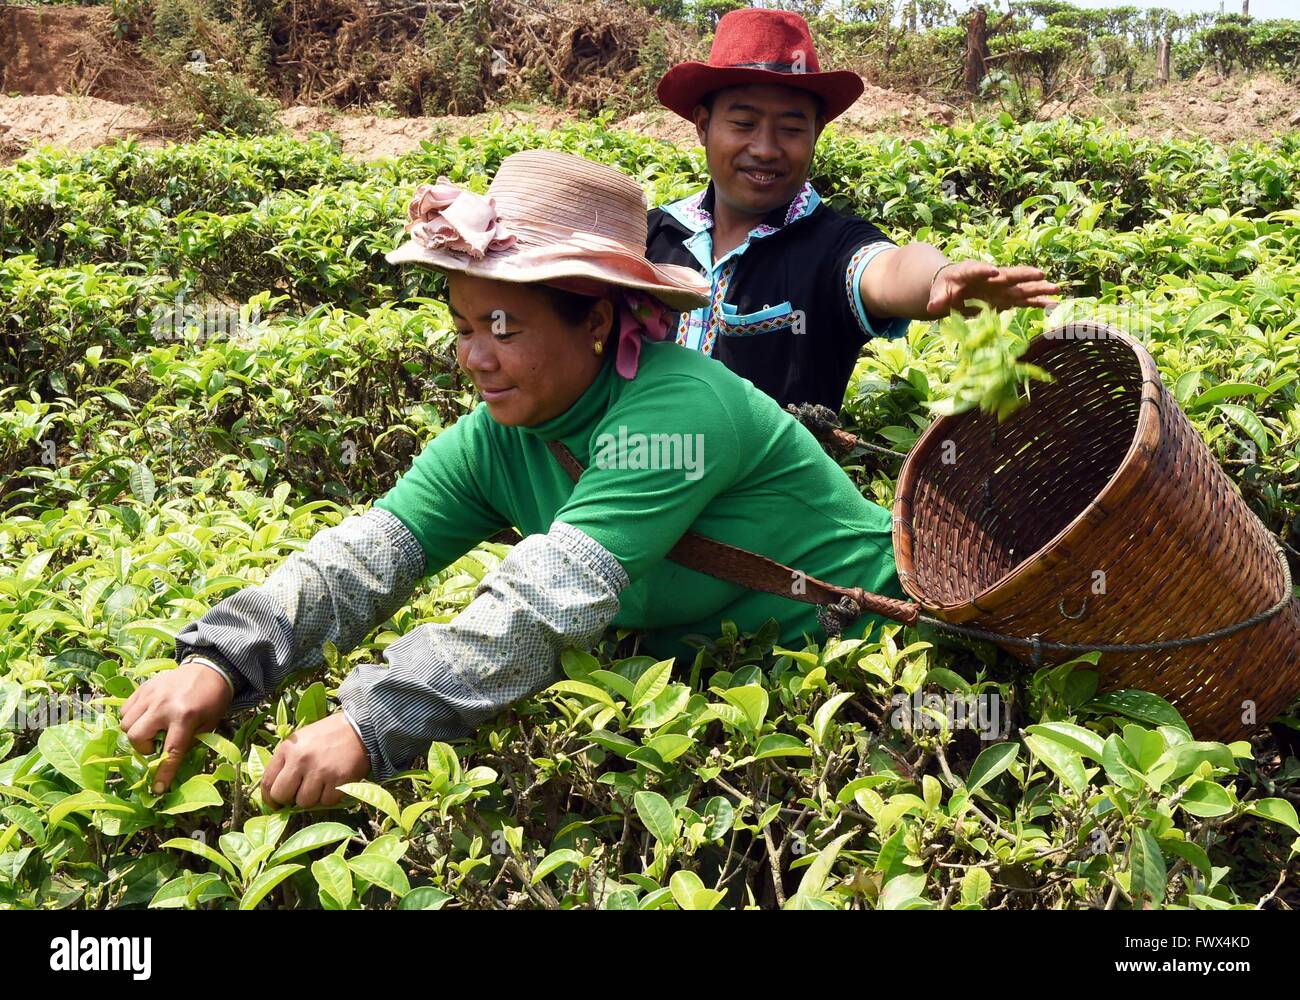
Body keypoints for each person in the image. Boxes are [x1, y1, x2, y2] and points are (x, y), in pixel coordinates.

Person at [120, 150, 907, 809]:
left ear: (595, 322)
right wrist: (219, 660)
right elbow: (363, 559)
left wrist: (369, 722)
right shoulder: (497, 437)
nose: (474, 357)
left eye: (503, 328)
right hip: (720, 690)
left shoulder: (679, 410)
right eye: (463, 326)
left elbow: (545, 601)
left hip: (870, 667)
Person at [646, 8, 1060, 410]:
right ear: (703, 125)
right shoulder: (650, 235)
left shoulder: (832, 245)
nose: (766, 149)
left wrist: (937, 278)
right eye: (743, 124)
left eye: (791, 129)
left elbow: (887, 269)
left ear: (815, 133)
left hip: (771, 482)